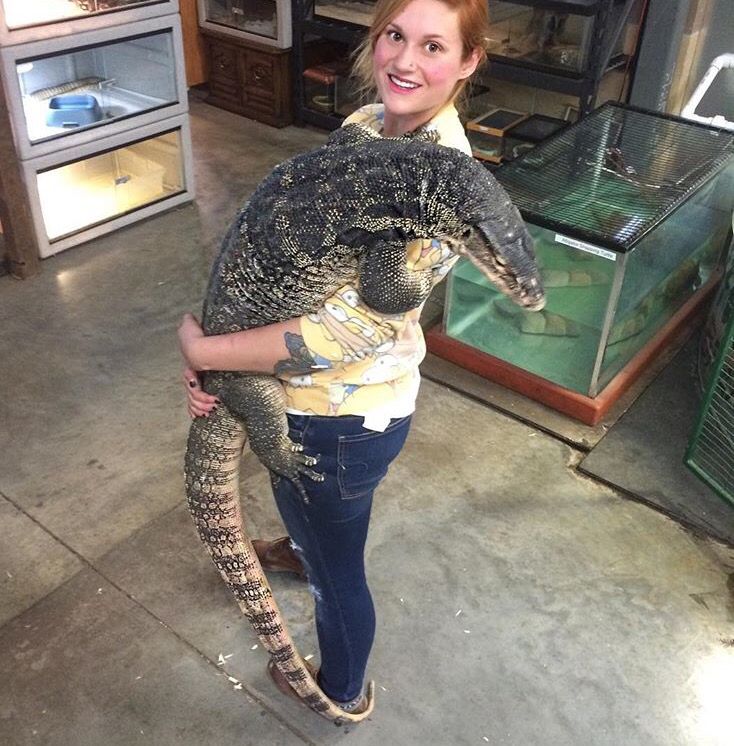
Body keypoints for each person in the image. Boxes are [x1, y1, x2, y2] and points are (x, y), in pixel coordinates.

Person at [179, 0, 490, 714]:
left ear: (468, 61)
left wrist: (203, 348)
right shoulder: (367, 125)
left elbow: (337, 337)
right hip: (314, 398)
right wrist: (213, 359)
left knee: (339, 578)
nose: (404, 61)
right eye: (395, 36)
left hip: (335, 420)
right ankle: (303, 543)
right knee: (322, 525)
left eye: (433, 46)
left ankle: (341, 689)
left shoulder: (442, 191)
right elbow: (273, 248)